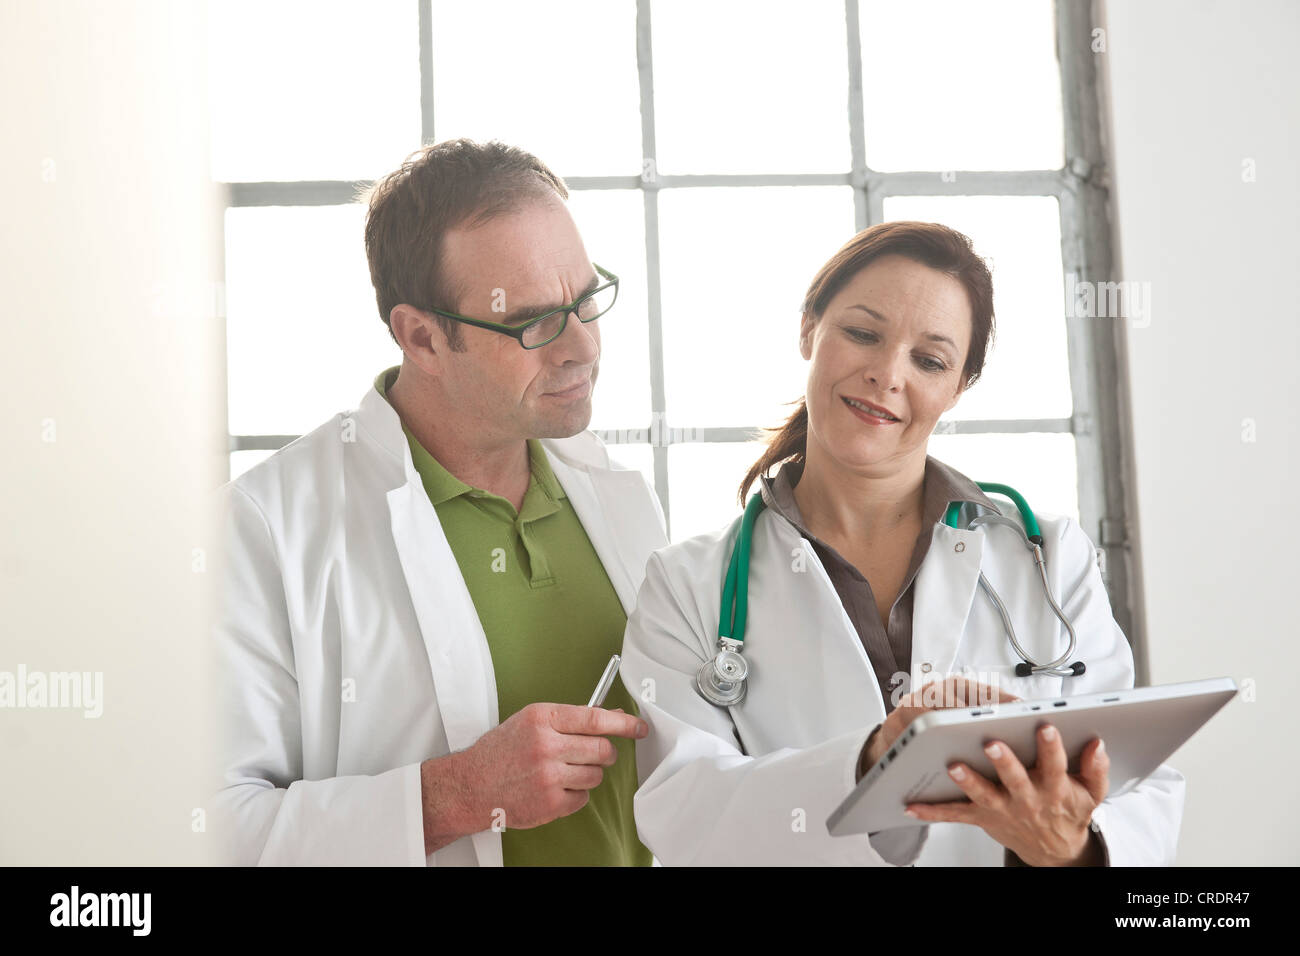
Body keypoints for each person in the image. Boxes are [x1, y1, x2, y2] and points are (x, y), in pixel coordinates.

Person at [619, 220, 1185, 866]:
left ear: (957, 387)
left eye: (930, 360)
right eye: (863, 333)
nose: (887, 375)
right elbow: (682, 815)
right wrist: (868, 764)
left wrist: (1072, 849)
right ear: (809, 328)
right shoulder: (686, 587)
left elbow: (1136, 788)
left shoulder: (1051, 561)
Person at [211, 139, 666, 866]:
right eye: (536, 322)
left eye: (586, 300)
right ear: (420, 336)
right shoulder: (267, 528)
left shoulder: (620, 495)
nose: (582, 346)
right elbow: (210, 827)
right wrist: (451, 796)